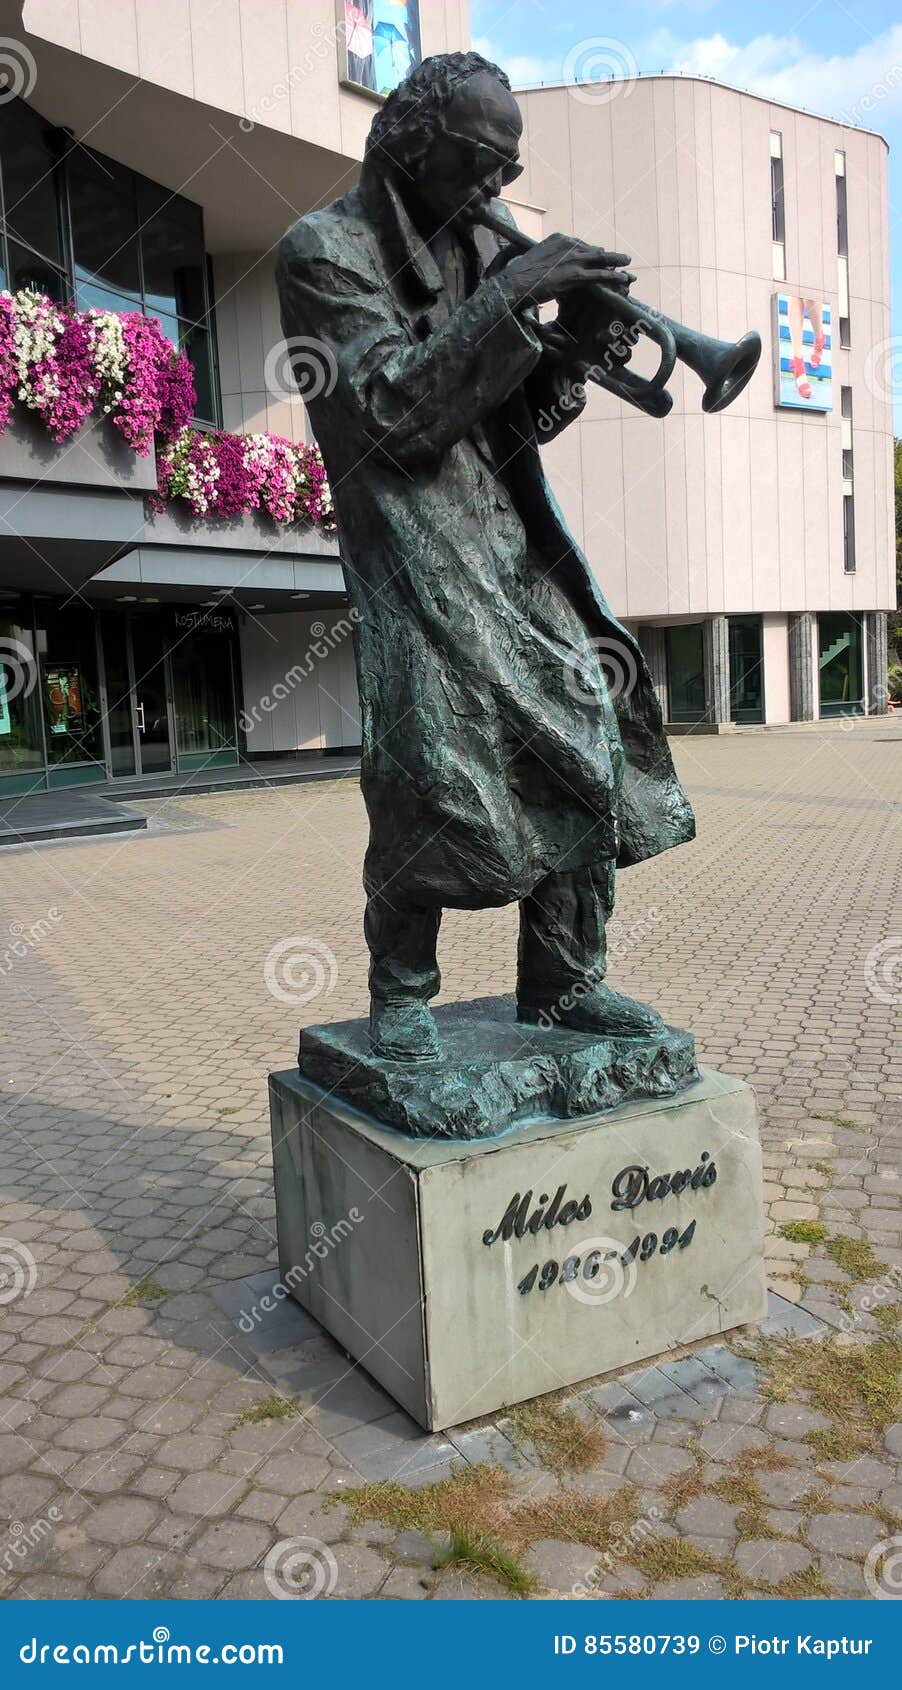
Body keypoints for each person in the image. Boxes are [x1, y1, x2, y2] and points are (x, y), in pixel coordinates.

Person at [277, 51, 695, 1063]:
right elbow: (390, 410)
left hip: (506, 545)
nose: (494, 190)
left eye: (506, 171)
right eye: (478, 163)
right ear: (415, 142)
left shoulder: (473, 244)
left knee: (590, 721)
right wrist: (511, 301)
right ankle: (401, 991)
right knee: (430, 768)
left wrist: (572, 353)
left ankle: (561, 985)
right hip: (412, 548)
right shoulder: (321, 250)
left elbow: (511, 423)